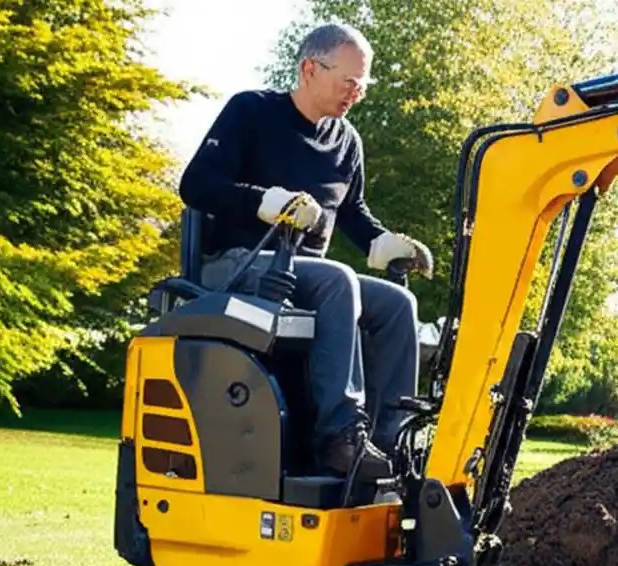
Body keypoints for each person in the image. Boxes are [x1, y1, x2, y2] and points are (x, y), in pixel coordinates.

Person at [178, 23, 432, 481]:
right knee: (338, 279)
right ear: (309, 69)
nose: (358, 93)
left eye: (363, 83)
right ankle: (339, 437)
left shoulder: (346, 141)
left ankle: (392, 442)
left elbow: (351, 211)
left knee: (399, 304)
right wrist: (264, 201)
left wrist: (381, 242)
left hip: (305, 274)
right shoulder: (251, 111)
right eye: (349, 81)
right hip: (233, 267)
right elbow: (195, 185)